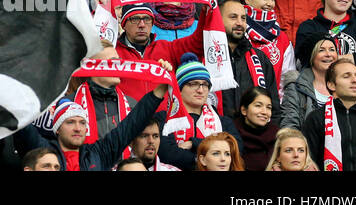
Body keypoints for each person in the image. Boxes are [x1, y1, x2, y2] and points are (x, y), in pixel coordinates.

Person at [18, 71, 171, 171]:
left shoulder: (99, 154)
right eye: (70, 122)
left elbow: (131, 123)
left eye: (82, 123)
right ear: (57, 128)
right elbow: (20, 122)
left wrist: (161, 87)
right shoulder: (43, 150)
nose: (78, 128)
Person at [157, 53, 243, 170]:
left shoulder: (223, 121)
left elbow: (236, 149)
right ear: (179, 89)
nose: (201, 90)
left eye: (205, 85)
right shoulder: (164, 119)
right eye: (193, 84)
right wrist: (207, 160)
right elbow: (168, 154)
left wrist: (195, 143)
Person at [302, 57, 356, 170]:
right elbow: (309, 161)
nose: (355, 80)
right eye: (346, 76)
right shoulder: (316, 118)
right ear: (331, 85)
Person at [234, 86, 280, 171]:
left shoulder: (277, 134)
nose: (264, 112)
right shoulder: (233, 134)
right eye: (258, 106)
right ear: (244, 110)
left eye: (268, 107)